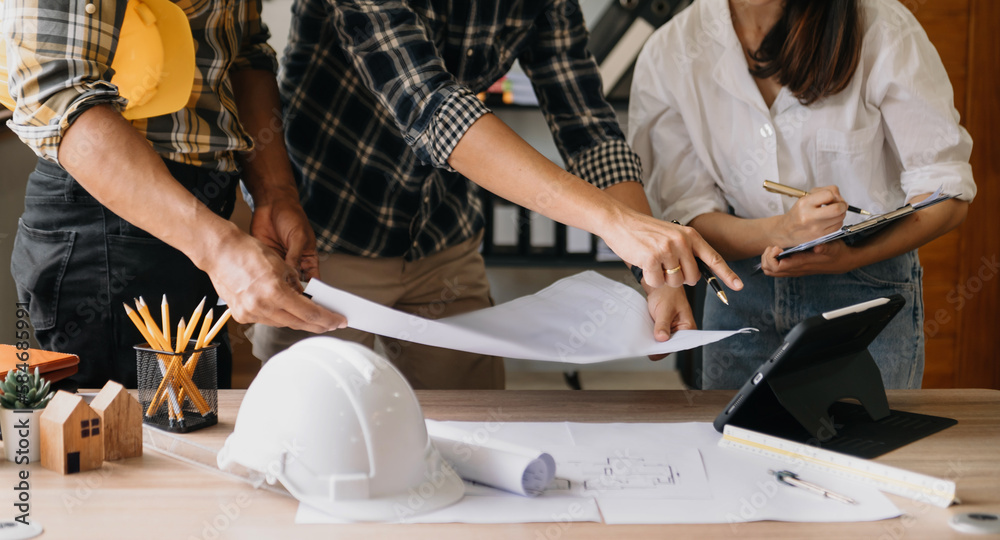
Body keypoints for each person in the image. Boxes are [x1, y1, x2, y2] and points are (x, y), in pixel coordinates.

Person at [247, 0, 743, 390]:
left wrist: (654, 270)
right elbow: (432, 107)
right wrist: (614, 223)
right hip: (326, 236)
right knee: (305, 429)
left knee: (478, 430)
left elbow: (586, 124)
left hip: (443, 238)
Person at [628, 0, 976, 390]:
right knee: (735, 446)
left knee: (866, 448)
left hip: (866, 286)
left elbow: (948, 193)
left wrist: (852, 256)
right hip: (740, 290)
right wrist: (782, 231)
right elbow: (685, 216)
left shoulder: (881, 25)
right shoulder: (670, 51)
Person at [4, 0, 345, 389]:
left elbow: (243, 50)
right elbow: (57, 92)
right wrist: (220, 249)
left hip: (200, 219)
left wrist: (275, 194)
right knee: (125, 439)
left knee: (193, 425)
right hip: (109, 228)